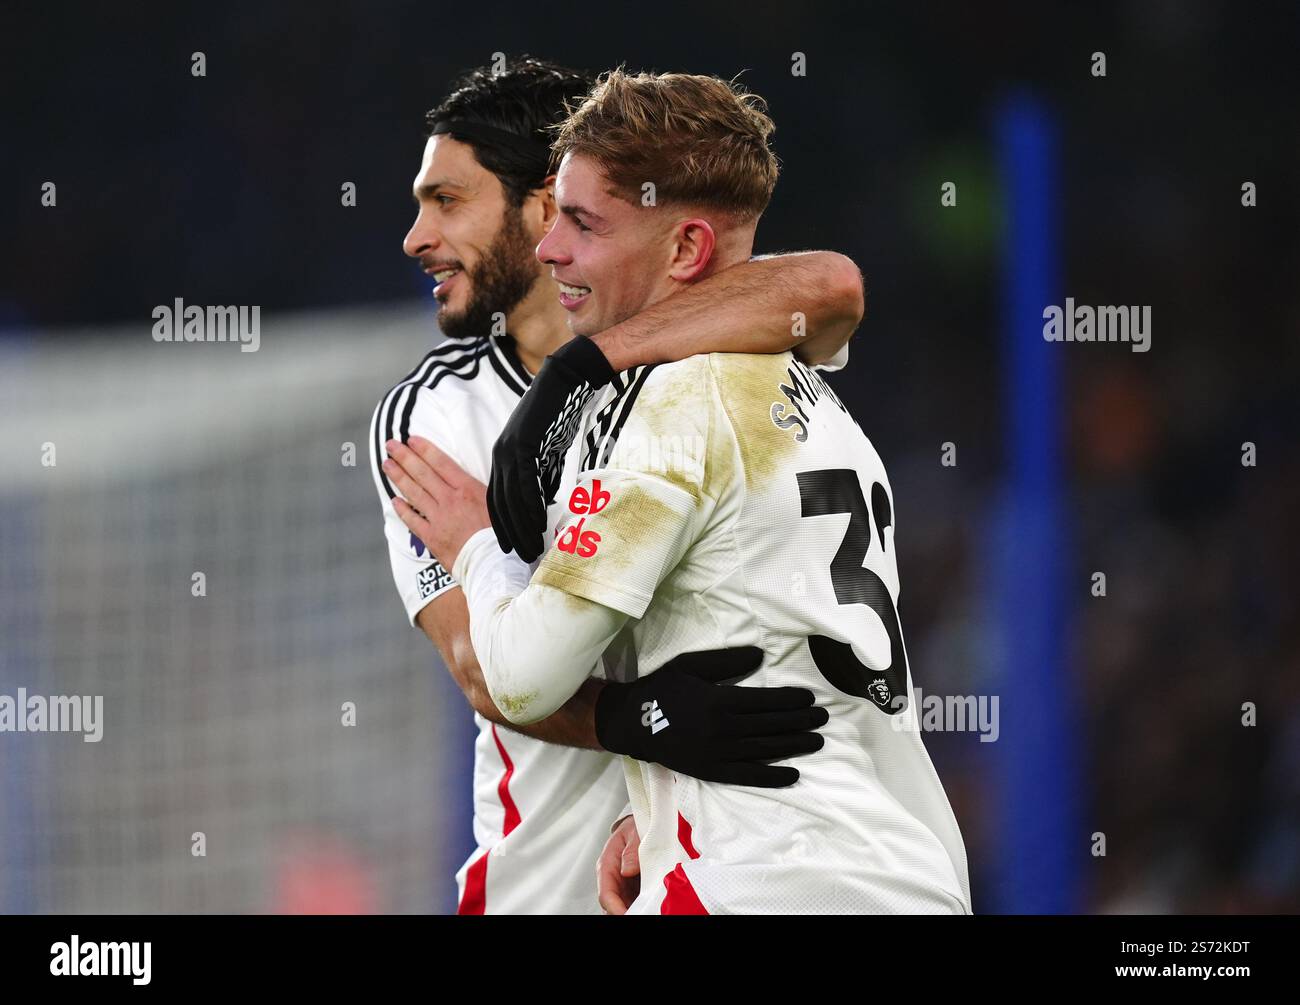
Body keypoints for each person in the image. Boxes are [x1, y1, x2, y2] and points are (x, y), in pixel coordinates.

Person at [386, 68, 971, 914]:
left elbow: (517, 679)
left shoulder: (664, 404)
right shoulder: (810, 385)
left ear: (687, 250)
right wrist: (656, 808)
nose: (555, 252)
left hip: (756, 879)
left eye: (582, 224)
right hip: (904, 868)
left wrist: (477, 544)